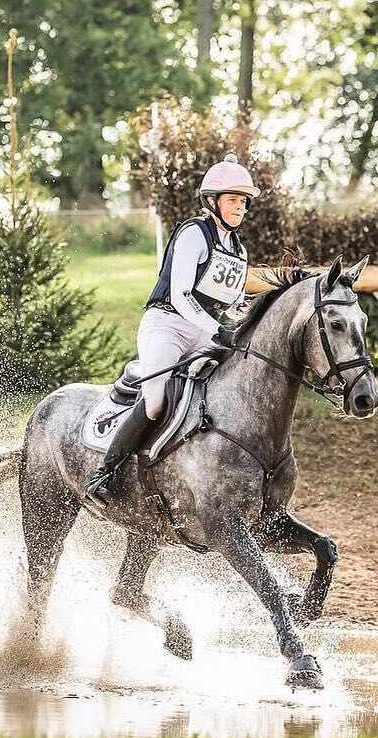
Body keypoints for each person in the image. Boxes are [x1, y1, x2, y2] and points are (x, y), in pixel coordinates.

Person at [85, 153, 259, 504]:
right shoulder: (194, 233)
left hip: (206, 333)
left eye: (243, 201)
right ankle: (106, 473)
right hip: (168, 325)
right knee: (155, 401)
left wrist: (241, 322)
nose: (240, 207)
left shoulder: (238, 250)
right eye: (233, 200)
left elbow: (235, 299)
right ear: (213, 201)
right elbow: (181, 296)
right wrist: (218, 330)